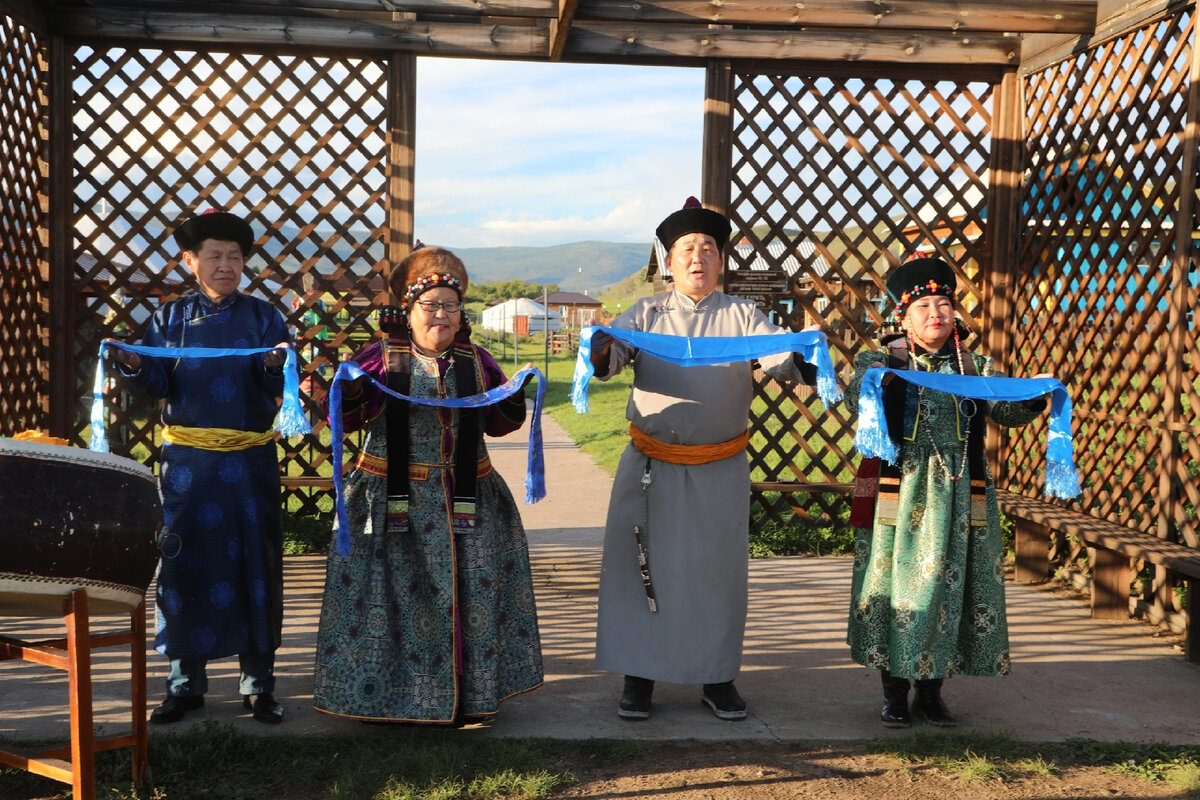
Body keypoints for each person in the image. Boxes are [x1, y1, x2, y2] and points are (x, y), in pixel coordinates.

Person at [589, 199, 819, 721]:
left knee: (717, 575)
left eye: (708, 249)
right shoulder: (644, 314)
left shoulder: (743, 316)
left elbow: (783, 360)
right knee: (639, 569)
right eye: (686, 249)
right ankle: (638, 677)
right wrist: (601, 346)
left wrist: (809, 360)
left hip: (720, 467)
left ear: (721, 261)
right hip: (650, 465)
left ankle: (717, 678)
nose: (698, 258)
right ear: (668, 260)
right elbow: (610, 360)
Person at [313, 245, 543, 724]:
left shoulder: (477, 361)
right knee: (392, 601)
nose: (441, 315)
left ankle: (468, 699)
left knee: (471, 599)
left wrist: (515, 391)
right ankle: (385, 700)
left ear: (462, 315)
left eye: (450, 306)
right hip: (389, 501)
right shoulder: (381, 359)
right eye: (430, 305)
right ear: (410, 311)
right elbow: (346, 415)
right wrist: (348, 387)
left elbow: (501, 423)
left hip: (470, 501)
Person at [843, 256, 1052, 728]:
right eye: (924, 306)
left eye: (944, 304)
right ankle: (894, 693)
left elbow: (1009, 411)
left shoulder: (975, 367)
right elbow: (860, 394)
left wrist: (1038, 395)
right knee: (893, 590)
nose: (936, 313)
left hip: (961, 494)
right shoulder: (882, 362)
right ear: (903, 316)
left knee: (948, 592)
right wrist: (878, 382)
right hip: (899, 494)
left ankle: (932, 693)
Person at [108, 209, 292, 725]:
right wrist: (135, 365)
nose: (226, 265)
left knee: (257, 566)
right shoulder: (169, 319)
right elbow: (159, 384)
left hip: (250, 461)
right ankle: (184, 686)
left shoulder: (264, 317)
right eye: (214, 255)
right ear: (190, 261)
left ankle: (258, 686)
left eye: (235, 256)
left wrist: (277, 364)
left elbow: (277, 385)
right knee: (184, 566)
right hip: (188, 467)